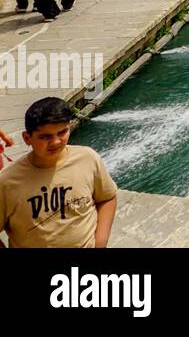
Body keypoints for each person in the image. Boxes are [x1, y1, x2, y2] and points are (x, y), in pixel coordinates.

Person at [0, 97, 117, 248]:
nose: (55, 142)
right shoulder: (7, 181)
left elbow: (107, 197)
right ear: (27, 138)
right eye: (45, 137)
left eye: (62, 132)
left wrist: (100, 243)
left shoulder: (88, 159)